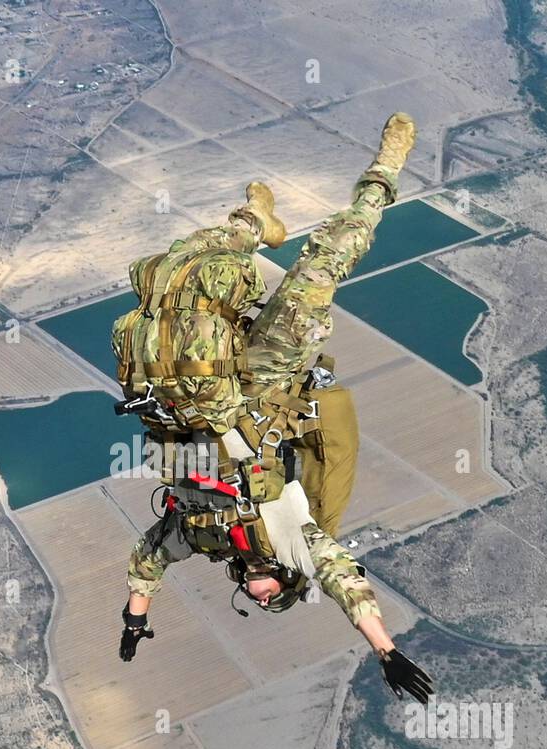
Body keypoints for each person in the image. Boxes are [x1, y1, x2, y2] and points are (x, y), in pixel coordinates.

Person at [115, 114, 433, 704]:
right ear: (287, 579)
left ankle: (252, 223)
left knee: (170, 286)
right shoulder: (293, 541)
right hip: (261, 392)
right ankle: (384, 172)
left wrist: (135, 618)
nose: (262, 597)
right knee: (323, 266)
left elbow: (148, 558)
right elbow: (345, 583)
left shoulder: (205, 540)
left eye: (257, 601)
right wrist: (385, 648)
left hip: (194, 402)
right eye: (274, 598)